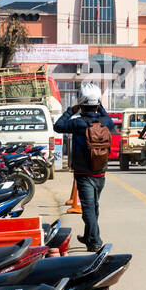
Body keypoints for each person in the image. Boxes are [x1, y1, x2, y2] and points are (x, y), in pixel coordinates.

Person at [53, 82, 110, 252]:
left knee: (88, 208)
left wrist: (71, 110)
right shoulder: (105, 121)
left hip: (84, 174)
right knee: (94, 206)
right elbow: (104, 114)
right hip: (100, 173)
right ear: (97, 103)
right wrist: (99, 106)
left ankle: (95, 241)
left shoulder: (78, 123)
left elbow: (58, 126)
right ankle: (88, 237)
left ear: (81, 103)